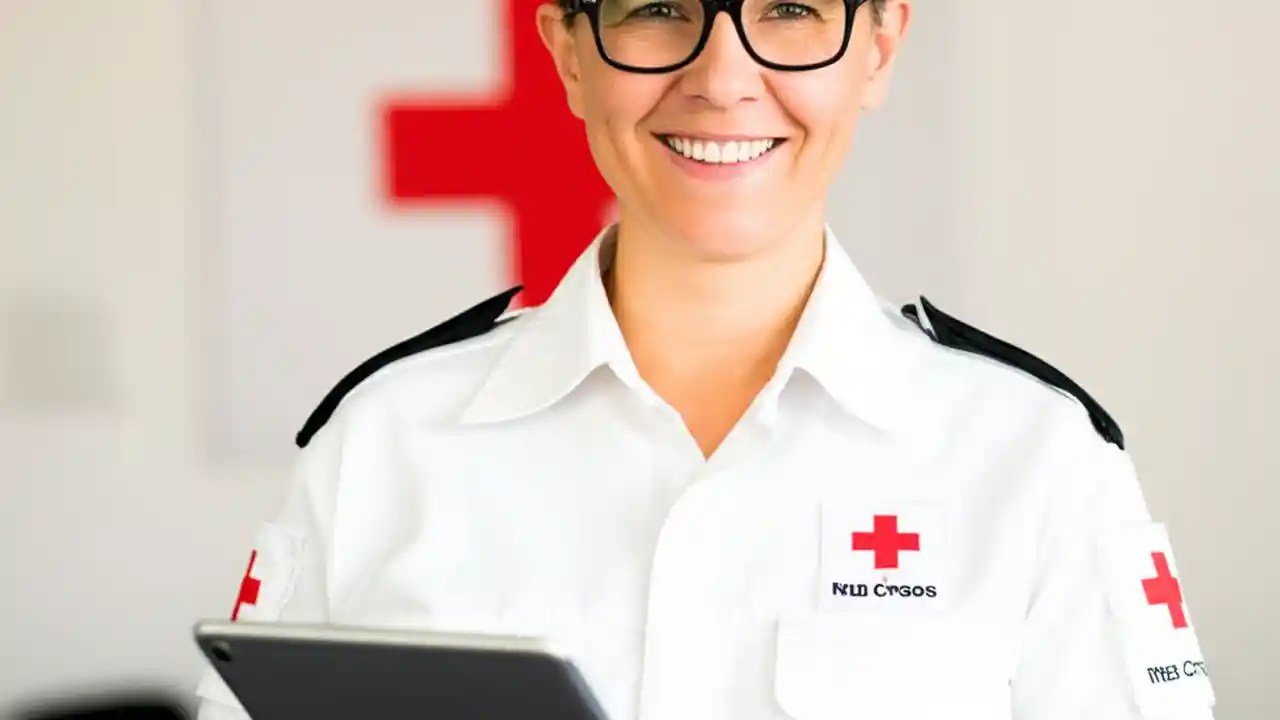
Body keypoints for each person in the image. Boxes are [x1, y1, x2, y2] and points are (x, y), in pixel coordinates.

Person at [196, 1, 1215, 718]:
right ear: (565, 50)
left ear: (878, 45)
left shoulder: (1034, 457)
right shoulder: (383, 440)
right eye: (654, 8)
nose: (722, 80)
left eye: (788, 9)